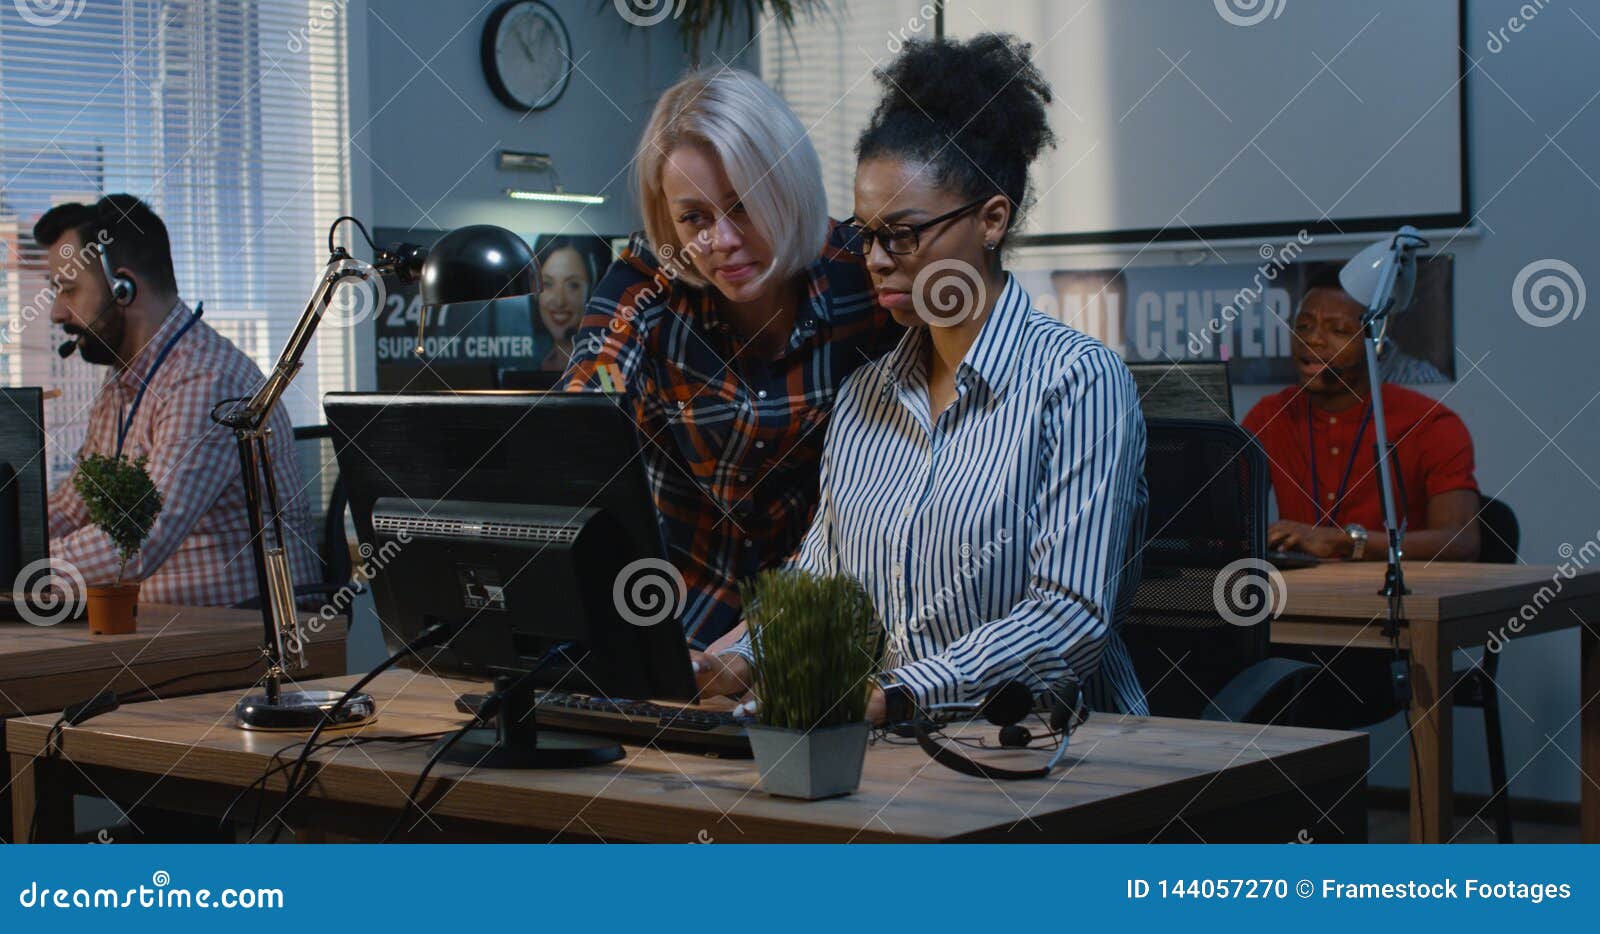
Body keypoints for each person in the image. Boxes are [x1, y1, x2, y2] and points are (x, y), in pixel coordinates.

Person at [701, 35, 1150, 720]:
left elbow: (1069, 618)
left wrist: (898, 696)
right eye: (866, 233)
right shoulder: (866, 395)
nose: (876, 259)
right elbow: (825, 578)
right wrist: (734, 659)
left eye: (903, 235)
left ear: (991, 219)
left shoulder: (1078, 382)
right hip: (888, 748)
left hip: (1045, 758)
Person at [562, 69, 901, 649]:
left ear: (787, 188)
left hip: (832, 609)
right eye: (693, 217)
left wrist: (755, 644)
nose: (719, 241)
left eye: (743, 207)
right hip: (685, 609)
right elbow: (590, 391)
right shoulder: (648, 280)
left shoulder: (860, 278)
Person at [39, 195, 317, 605]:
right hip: (165, 634)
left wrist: (25, 569)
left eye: (69, 290)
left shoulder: (208, 380)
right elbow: (73, 506)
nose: (57, 313)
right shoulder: (122, 384)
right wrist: (18, 542)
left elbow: (138, 539)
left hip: (239, 635)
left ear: (124, 287)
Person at [1243, 269, 1480, 561]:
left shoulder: (1431, 424)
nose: (1313, 339)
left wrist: (1346, 543)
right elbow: (1218, 518)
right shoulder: (1268, 415)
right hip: (1297, 598)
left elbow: (1461, 542)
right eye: (1303, 326)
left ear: (1375, 342)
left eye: (1338, 330)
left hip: (1398, 600)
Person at [532, 235, 602, 371]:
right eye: (547, 284)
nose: (559, 301)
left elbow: (613, 390)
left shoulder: (605, 362)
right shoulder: (536, 364)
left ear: (590, 290)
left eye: (573, 285)